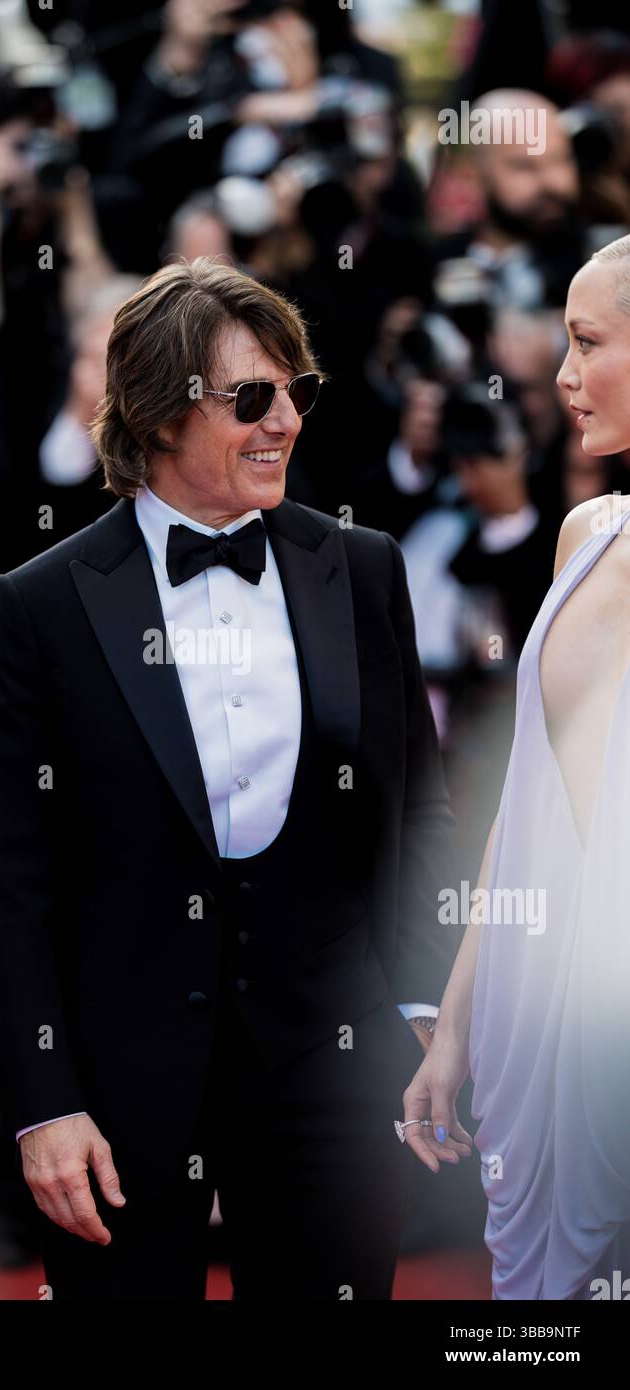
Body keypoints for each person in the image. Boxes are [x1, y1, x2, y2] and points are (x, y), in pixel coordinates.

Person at [0, 255, 459, 1300]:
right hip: (116, 1086)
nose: (283, 419)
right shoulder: (42, 602)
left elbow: (417, 803)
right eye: (250, 397)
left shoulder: (360, 567)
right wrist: (41, 1101)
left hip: (332, 1066)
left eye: (296, 392)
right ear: (153, 418)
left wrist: (417, 1013)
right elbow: (11, 880)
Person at [401, 234, 630, 1300]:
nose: (562, 376)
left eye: (586, 343)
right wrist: (454, 1024)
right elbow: (520, 805)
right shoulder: (582, 532)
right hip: (531, 1026)